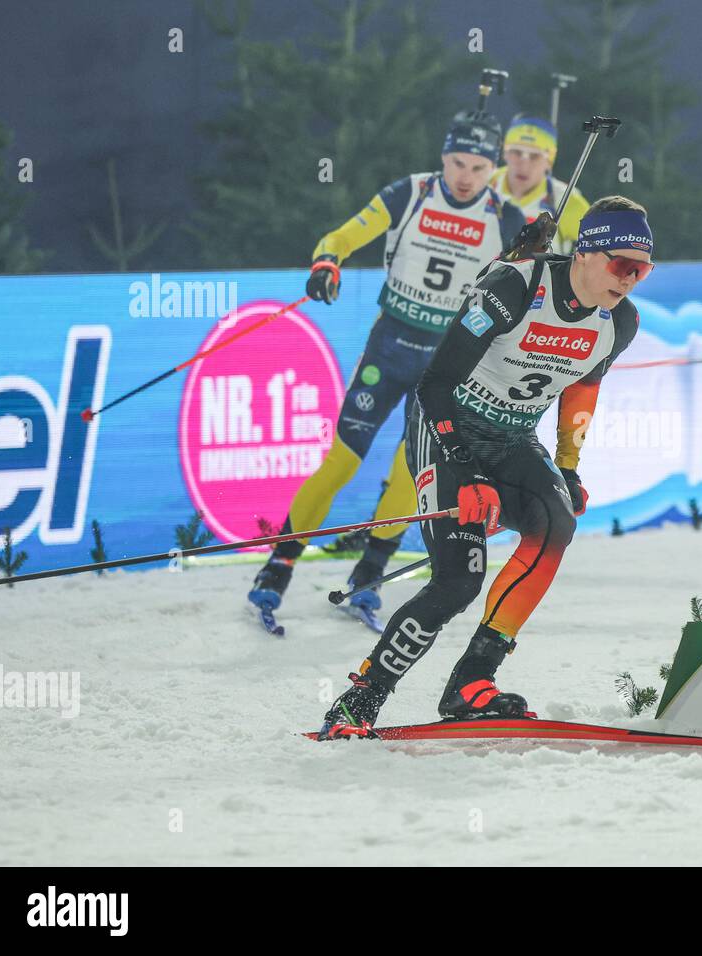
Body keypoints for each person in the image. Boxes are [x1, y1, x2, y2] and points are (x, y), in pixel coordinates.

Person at [318, 196, 655, 737]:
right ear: (589, 253)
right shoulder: (516, 288)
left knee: (556, 526)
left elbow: (583, 389)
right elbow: (435, 386)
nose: (632, 279)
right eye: (623, 265)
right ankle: (360, 700)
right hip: (444, 427)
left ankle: (472, 680)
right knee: (458, 581)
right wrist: (466, 471)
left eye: (643, 269)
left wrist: (568, 469)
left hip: (512, 437)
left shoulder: (622, 322)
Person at [248, 110, 527, 629]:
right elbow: (340, 236)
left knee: (409, 472)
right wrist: (326, 263)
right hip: (390, 349)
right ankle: (276, 568)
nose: (465, 175)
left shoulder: (506, 219)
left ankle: (368, 576)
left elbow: (539, 283)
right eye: (457, 162)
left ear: (493, 169)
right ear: (443, 157)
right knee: (340, 462)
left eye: (477, 166)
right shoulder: (411, 193)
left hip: (447, 366)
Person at [490, 114, 590, 255]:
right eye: (516, 152)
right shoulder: (483, 183)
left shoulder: (567, 201)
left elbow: (600, 252)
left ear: (549, 161)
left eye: (535, 156)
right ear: (504, 153)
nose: (524, 164)